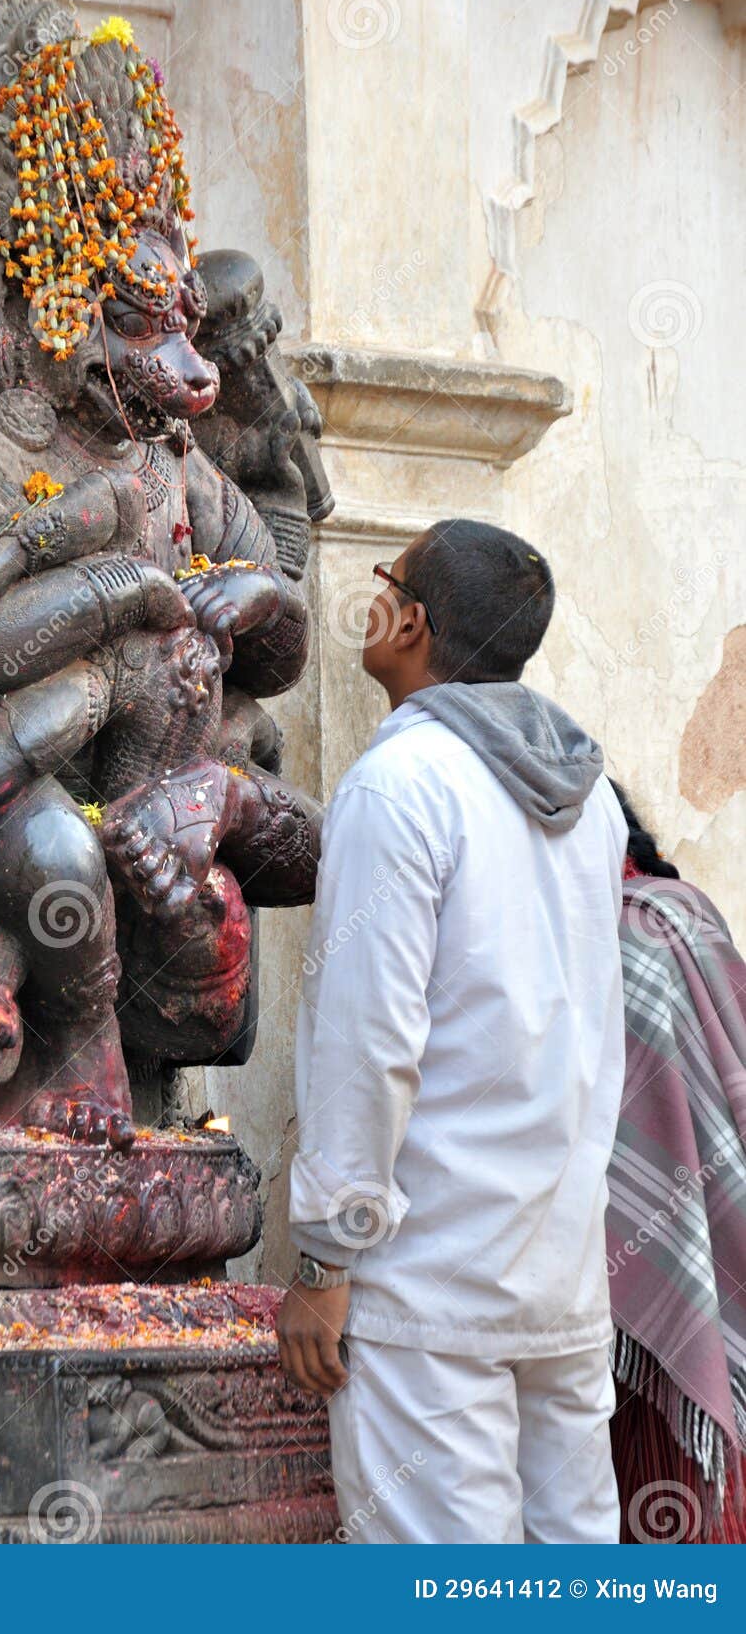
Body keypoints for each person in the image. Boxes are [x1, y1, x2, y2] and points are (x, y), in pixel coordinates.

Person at [277, 517, 628, 1544]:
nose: (373, 598)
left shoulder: (400, 786)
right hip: (558, 1276)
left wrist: (324, 1263)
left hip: (431, 1292)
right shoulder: (590, 800)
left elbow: (366, 1041)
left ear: (411, 623)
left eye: (384, 580)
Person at [605, 785, 746, 1544]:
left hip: (634, 1264)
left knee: (655, 1485)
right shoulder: (687, 909)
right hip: (714, 1221)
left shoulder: (615, 939)